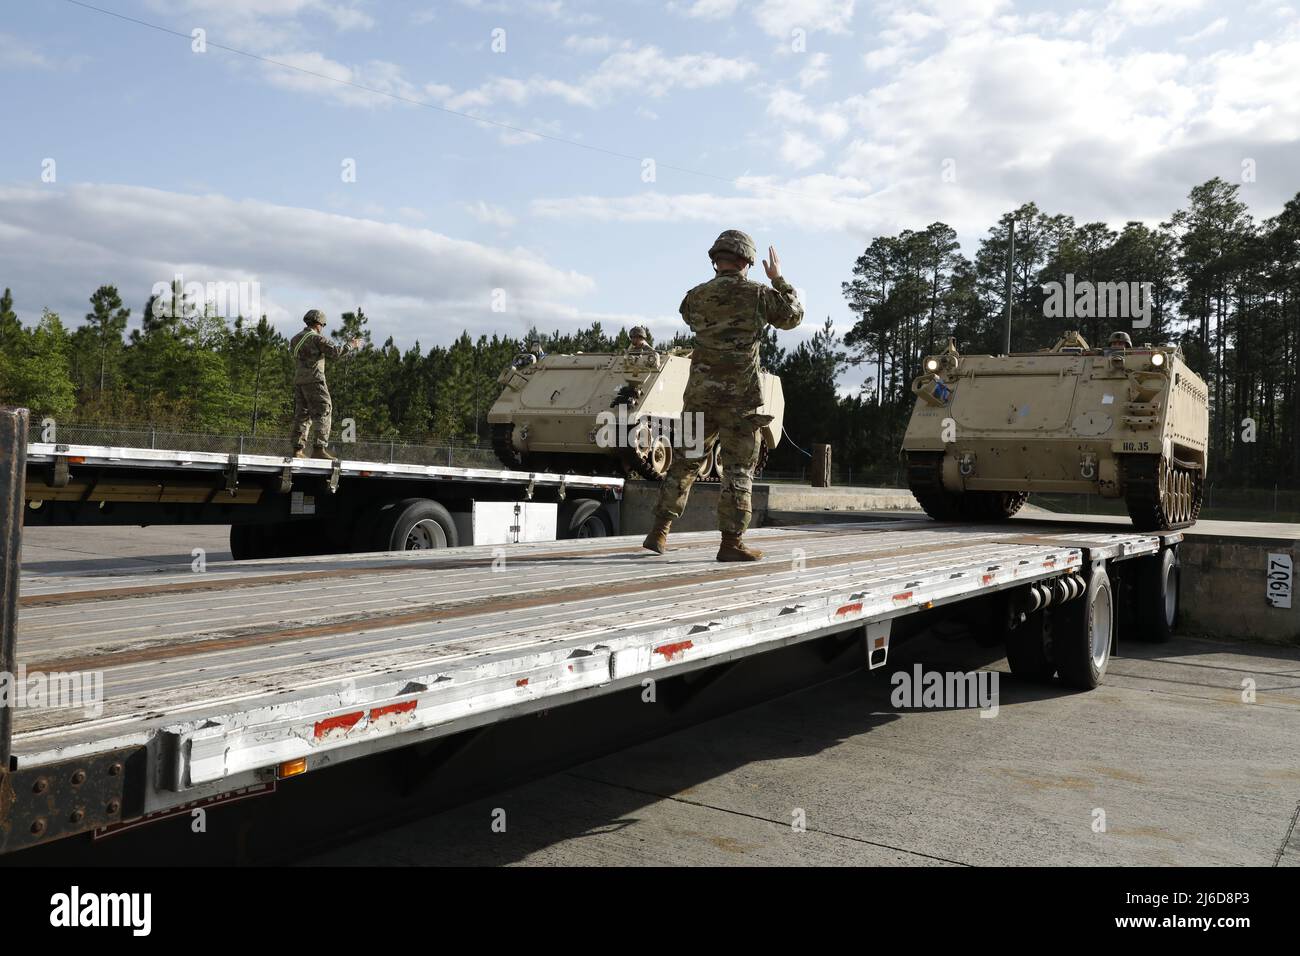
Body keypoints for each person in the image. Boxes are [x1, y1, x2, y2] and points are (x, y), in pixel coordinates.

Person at [642, 229, 803, 561]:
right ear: (746, 261)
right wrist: (779, 279)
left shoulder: (697, 297)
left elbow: (688, 315)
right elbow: (793, 316)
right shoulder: (759, 294)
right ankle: (731, 544)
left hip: (699, 396)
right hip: (740, 400)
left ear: (716, 260)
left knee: (684, 463)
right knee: (738, 469)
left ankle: (659, 532)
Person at [289, 310, 361, 460]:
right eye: (322, 325)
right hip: (315, 380)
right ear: (318, 324)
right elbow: (335, 352)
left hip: (299, 380)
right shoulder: (317, 338)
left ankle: (297, 450)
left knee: (302, 414)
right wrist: (351, 345)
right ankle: (319, 449)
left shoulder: (295, 339)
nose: (322, 327)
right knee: (324, 410)